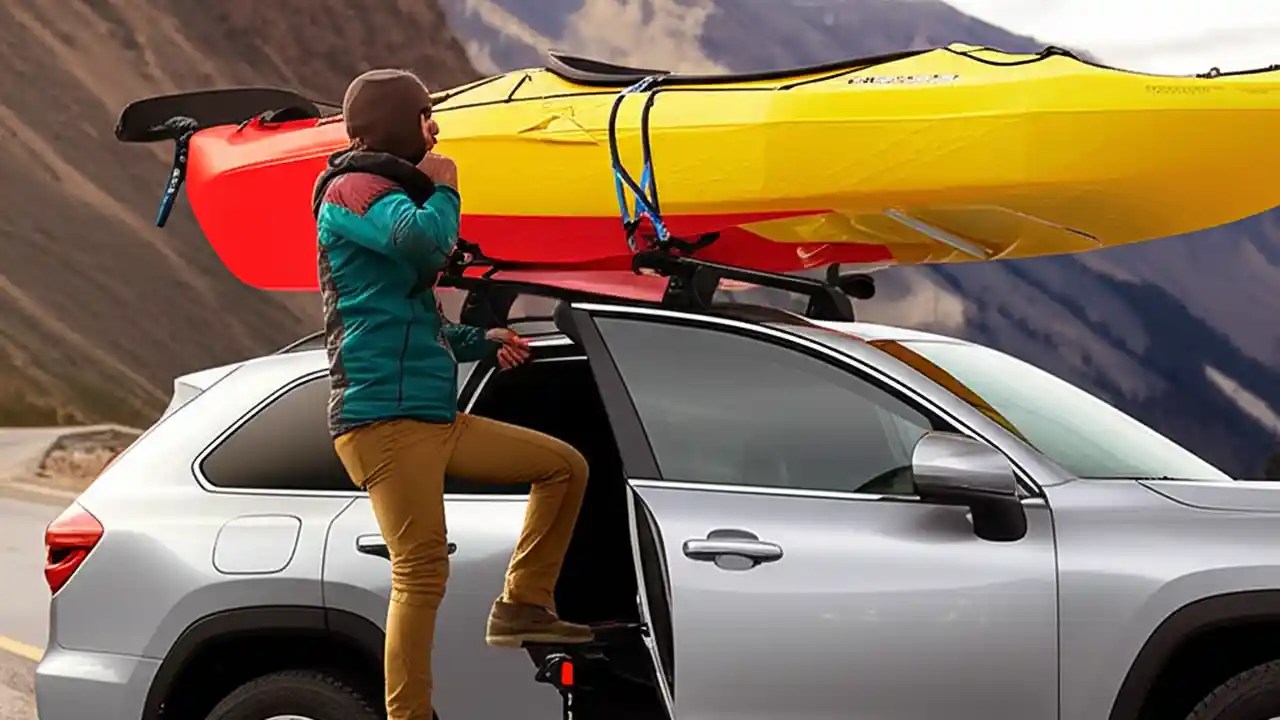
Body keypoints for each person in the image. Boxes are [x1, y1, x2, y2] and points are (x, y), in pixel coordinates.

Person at [311, 67, 593, 720]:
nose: (434, 129)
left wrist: (483, 340)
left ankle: (524, 604)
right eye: (424, 118)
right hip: (383, 421)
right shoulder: (351, 191)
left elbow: (419, 320)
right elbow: (424, 245)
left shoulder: (387, 193)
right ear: (395, 123)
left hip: (432, 419)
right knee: (420, 572)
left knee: (563, 467)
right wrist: (445, 187)